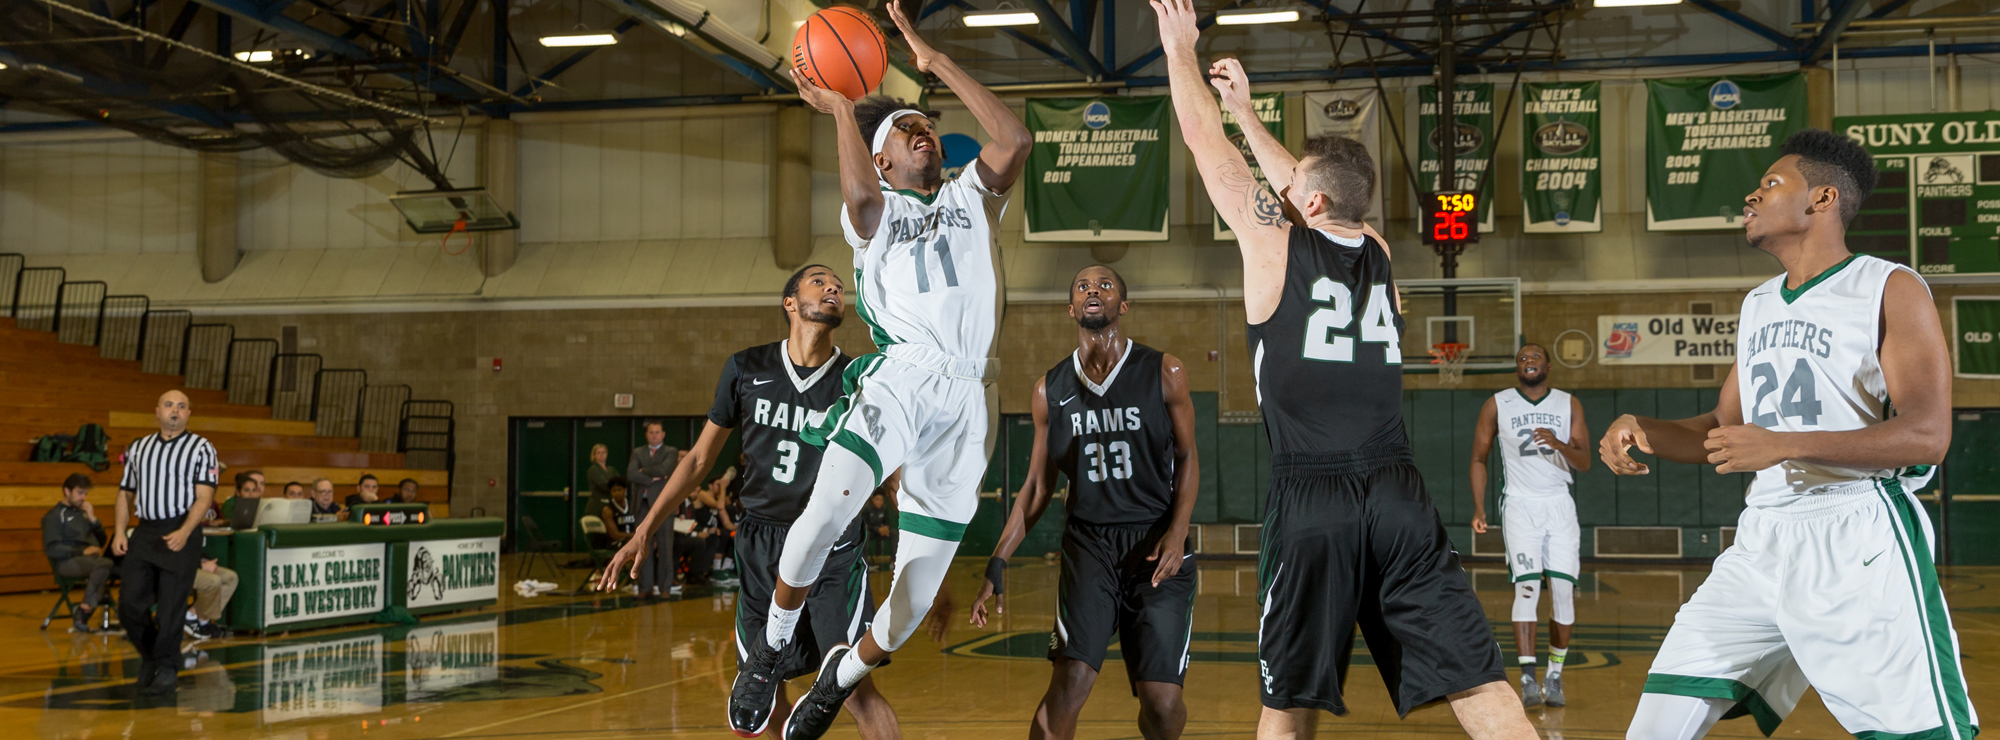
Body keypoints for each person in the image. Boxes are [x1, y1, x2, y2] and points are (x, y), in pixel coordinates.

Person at [1151, 5, 1534, 736]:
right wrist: (1248, 113)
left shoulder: (1274, 248)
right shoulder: (1382, 256)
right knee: (1479, 683)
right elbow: (1308, 185)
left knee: (1288, 702)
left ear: (1311, 202)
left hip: (1312, 492)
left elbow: (1205, 144)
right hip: (1399, 494)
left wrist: (1181, 51)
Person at [1607, 130, 1972, 740]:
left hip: (1857, 535)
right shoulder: (1758, 304)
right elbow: (1724, 432)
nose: (1752, 194)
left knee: (1917, 733)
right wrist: (1641, 428)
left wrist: (1786, 443)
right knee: (1660, 718)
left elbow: (1928, 435)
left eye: (1771, 183)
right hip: (1763, 538)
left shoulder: (1887, 286)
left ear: (1822, 199)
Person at [734, 4, 1030, 737]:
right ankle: (769, 653)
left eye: (924, 124)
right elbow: (861, 196)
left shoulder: (970, 198)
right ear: (881, 158)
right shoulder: (874, 218)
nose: (921, 130)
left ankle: (837, 681)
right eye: (904, 130)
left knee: (912, 599)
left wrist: (934, 63)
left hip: (970, 401)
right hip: (904, 377)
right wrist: (841, 106)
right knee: (823, 516)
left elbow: (1015, 137)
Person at [602, 265, 908, 740]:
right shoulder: (746, 367)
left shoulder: (858, 378)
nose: (833, 288)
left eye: (838, 285)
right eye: (819, 281)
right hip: (763, 541)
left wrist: (925, 566)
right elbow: (700, 459)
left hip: (833, 546)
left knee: (853, 688)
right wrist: (643, 530)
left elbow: (893, 479)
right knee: (761, 704)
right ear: (790, 303)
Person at [969, 265, 1202, 740]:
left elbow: (1187, 456)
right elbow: (1037, 485)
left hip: (1155, 543)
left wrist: (1178, 532)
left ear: (1123, 305)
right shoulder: (1048, 390)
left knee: (1161, 701)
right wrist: (998, 559)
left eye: (1105, 285)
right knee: (1070, 682)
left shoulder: (1164, 371)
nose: (1093, 290)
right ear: (1072, 309)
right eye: (1082, 286)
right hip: (1089, 546)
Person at [1469, 343, 1592, 709]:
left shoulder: (1568, 403)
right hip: (1520, 506)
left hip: (1559, 505)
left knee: (1563, 592)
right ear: (1517, 368)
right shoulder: (1498, 403)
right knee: (1526, 590)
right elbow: (1479, 457)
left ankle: (1554, 675)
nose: (1528, 362)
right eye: (1522, 358)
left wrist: (1558, 444)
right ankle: (1526, 677)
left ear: (1548, 366)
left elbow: (1584, 461)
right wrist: (1479, 508)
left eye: (1535, 357)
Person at [112, 390, 219, 696]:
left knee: (171, 608)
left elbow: (205, 496)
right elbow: (125, 493)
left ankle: (167, 667)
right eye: (169, 405)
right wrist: (120, 531)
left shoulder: (202, 447)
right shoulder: (139, 447)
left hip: (181, 527)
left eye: (182, 406)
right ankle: (151, 655)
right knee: (129, 603)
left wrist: (186, 531)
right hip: (146, 531)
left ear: (188, 414)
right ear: (157, 411)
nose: (175, 410)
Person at [43, 473, 113, 634]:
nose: (83, 497)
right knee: (104, 564)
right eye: (80, 493)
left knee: (111, 565)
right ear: (67, 491)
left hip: (92, 560)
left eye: (86, 494)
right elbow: (52, 548)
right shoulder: (55, 516)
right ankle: (84, 609)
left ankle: (88, 610)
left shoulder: (81, 513)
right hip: (67, 562)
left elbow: (102, 541)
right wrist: (82, 550)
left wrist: (93, 519)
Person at [627, 421, 679, 597]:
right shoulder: (638, 452)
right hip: (642, 505)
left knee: (665, 548)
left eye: (657, 432)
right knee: (642, 547)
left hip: (663, 506)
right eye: (651, 432)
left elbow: (665, 468)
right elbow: (631, 473)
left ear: (663, 434)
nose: (654, 435)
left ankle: (665, 588)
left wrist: (644, 469)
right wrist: (652, 478)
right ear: (646, 434)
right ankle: (644, 587)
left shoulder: (670, 451)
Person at [183, 558, 236, 640]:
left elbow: (194, 548)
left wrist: (204, 560)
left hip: (192, 562)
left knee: (230, 578)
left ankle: (199, 619)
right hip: (176, 567)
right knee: (213, 580)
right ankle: (192, 618)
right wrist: (200, 566)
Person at [861, 492, 896, 570]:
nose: (879, 502)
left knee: (893, 533)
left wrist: (886, 528)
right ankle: (866, 564)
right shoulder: (866, 509)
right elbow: (865, 525)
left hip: (880, 533)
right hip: (870, 532)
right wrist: (877, 529)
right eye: (877, 499)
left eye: (881, 499)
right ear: (872, 499)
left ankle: (893, 562)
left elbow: (887, 522)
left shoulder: (884, 508)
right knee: (866, 535)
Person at [585, 444, 617, 522]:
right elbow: (604, 485)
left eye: (604, 452)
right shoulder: (593, 470)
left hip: (610, 506)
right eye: (599, 453)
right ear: (594, 455)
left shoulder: (611, 469)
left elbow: (619, 482)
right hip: (597, 507)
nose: (602, 455)